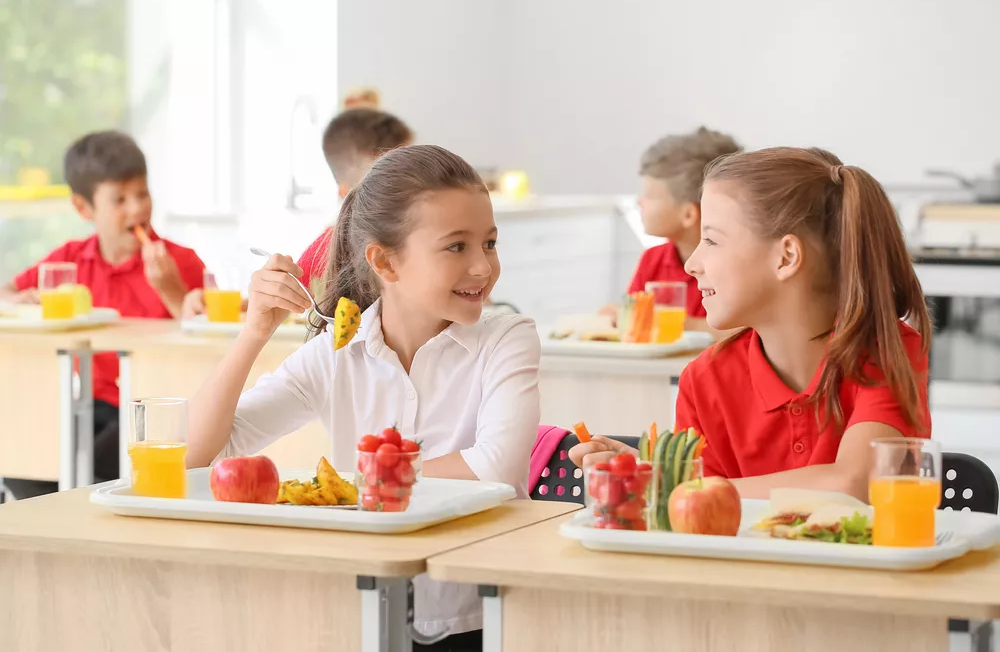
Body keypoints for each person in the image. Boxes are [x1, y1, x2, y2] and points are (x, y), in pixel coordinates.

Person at [185, 144, 540, 649]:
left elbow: (495, 468)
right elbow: (199, 455)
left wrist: (348, 490)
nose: (483, 267)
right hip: (364, 610)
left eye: (490, 243)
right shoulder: (335, 353)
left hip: (480, 616)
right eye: (457, 247)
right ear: (385, 263)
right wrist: (253, 334)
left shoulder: (508, 338)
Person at [572, 147, 931, 503]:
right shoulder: (704, 380)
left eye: (711, 239)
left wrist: (676, 486)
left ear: (786, 256)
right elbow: (696, 518)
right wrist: (657, 479)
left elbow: (857, 485)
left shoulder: (885, 351)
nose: (691, 264)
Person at [0, 131, 205, 498]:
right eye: (120, 199)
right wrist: (20, 300)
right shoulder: (70, 261)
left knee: (88, 464)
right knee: (25, 455)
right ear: (84, 208)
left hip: (153, 408)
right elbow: (8, 291)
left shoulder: (181, 261)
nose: (136, 208)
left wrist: (172, 290)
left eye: (142, 194)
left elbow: (207, 341)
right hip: (90, 404)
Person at [180, 108, 413, 318]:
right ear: (347, 195)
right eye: (391, 186)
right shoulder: (329, 247)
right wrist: (215, 305)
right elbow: (286, 299)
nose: (413, 190)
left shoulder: (427, 236)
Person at [600, 127, 741, 336]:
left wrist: (678, 323)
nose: (639, 202)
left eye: (649, 195)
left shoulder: (738, 264)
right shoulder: (653, 260)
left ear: (688, 215)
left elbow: (751, 332)